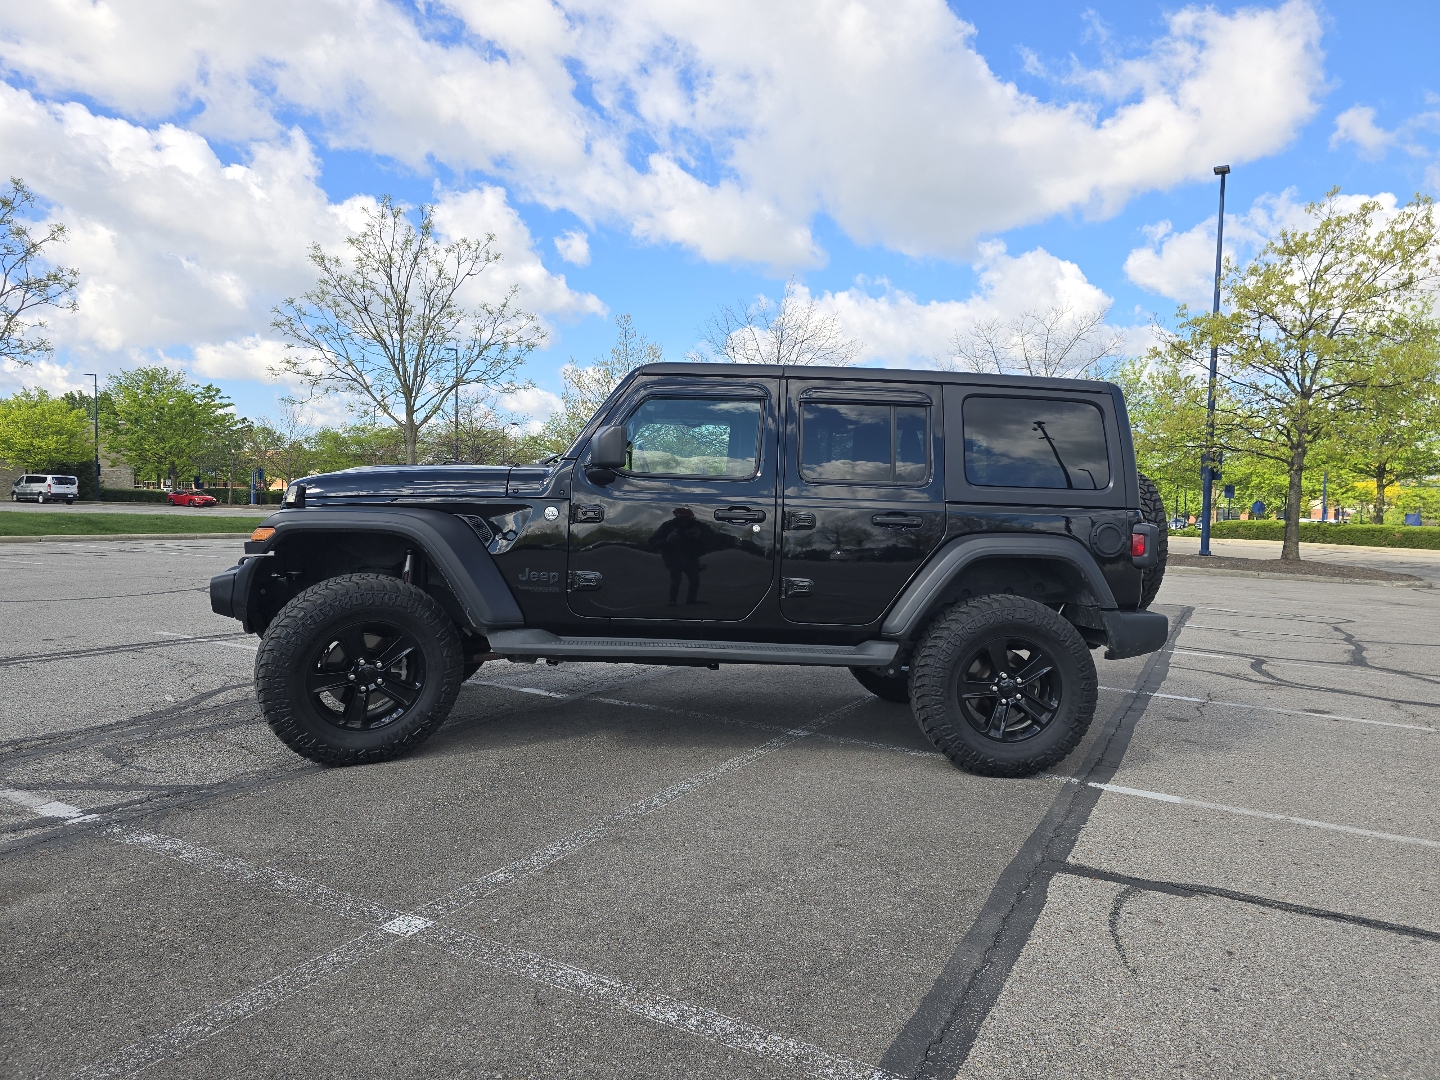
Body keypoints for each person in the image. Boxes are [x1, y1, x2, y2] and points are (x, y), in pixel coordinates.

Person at [649, 507, 706, 606]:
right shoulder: (667, 526)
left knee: (694, 578)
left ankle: (691, 599)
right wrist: (667, 540)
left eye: (687, 518)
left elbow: (698, 545)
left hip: (688, 555)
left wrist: (697, 559)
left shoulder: (694, 526)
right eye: (683, 518)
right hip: (671, 555)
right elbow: (653, 542)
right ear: (677, 517)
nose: (685, 521)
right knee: (676, 578)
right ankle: (672, 600)